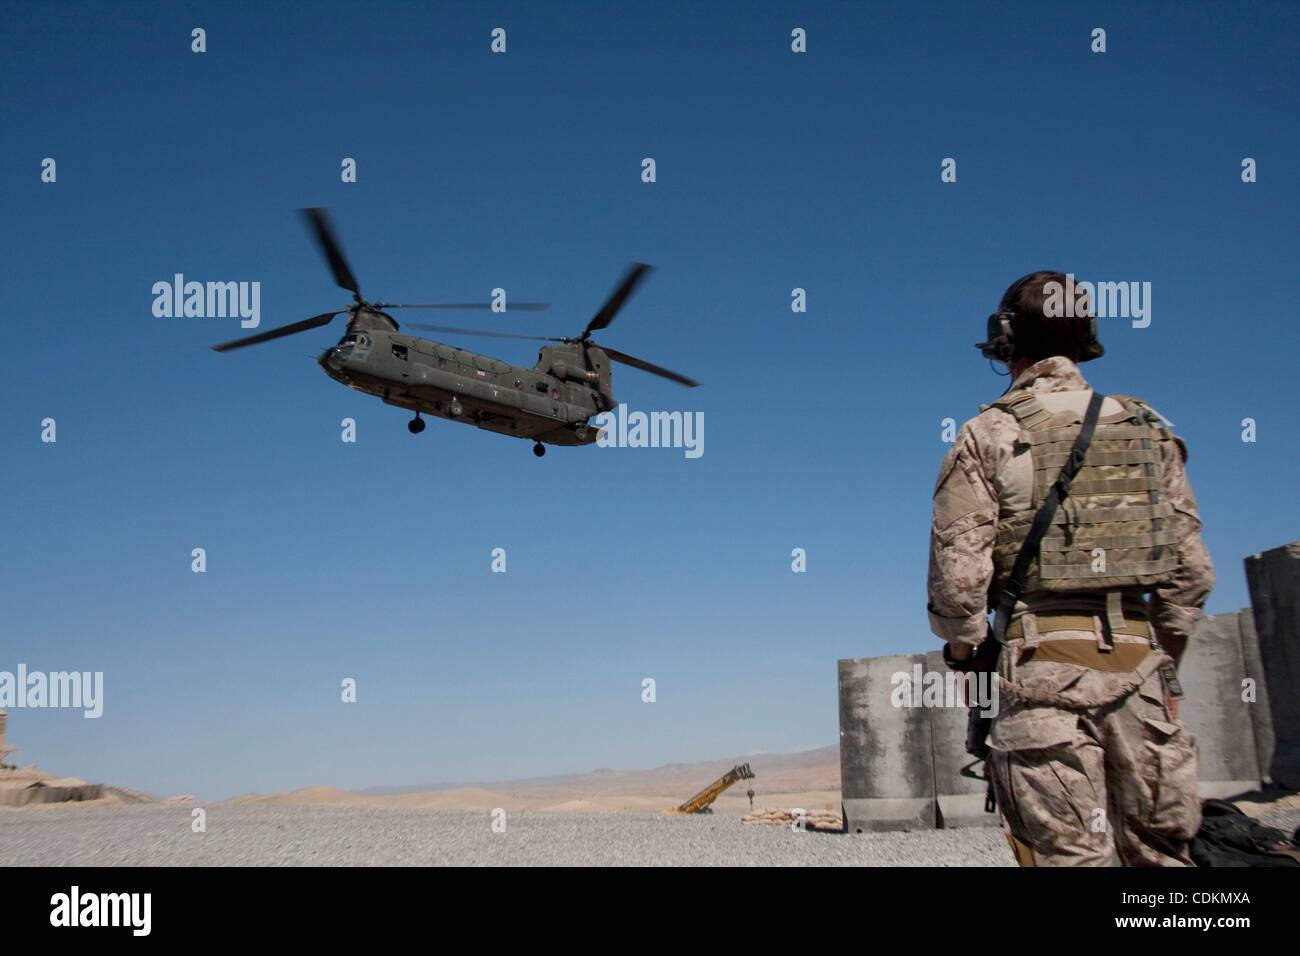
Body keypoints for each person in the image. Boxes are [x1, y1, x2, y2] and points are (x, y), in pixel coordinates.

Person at [927, 271, 1214, 866]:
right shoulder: (1147, 430)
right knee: (1165, 863)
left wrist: (965, 658)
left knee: (1070, 858)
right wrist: (1160, 664)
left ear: (1006, 338)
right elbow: (1190, 577)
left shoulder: (988, 435)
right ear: (1087, 336)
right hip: (1144, 680)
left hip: (1039, 677)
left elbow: (959, 587)